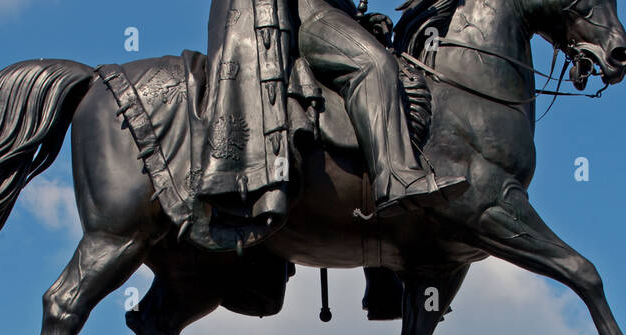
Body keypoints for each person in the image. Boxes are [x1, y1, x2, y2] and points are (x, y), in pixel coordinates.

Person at [198, 0, 464, 223]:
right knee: (374, 63)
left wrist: (357, 20)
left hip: (329, 12)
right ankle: (395, 177)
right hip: (309, 15)